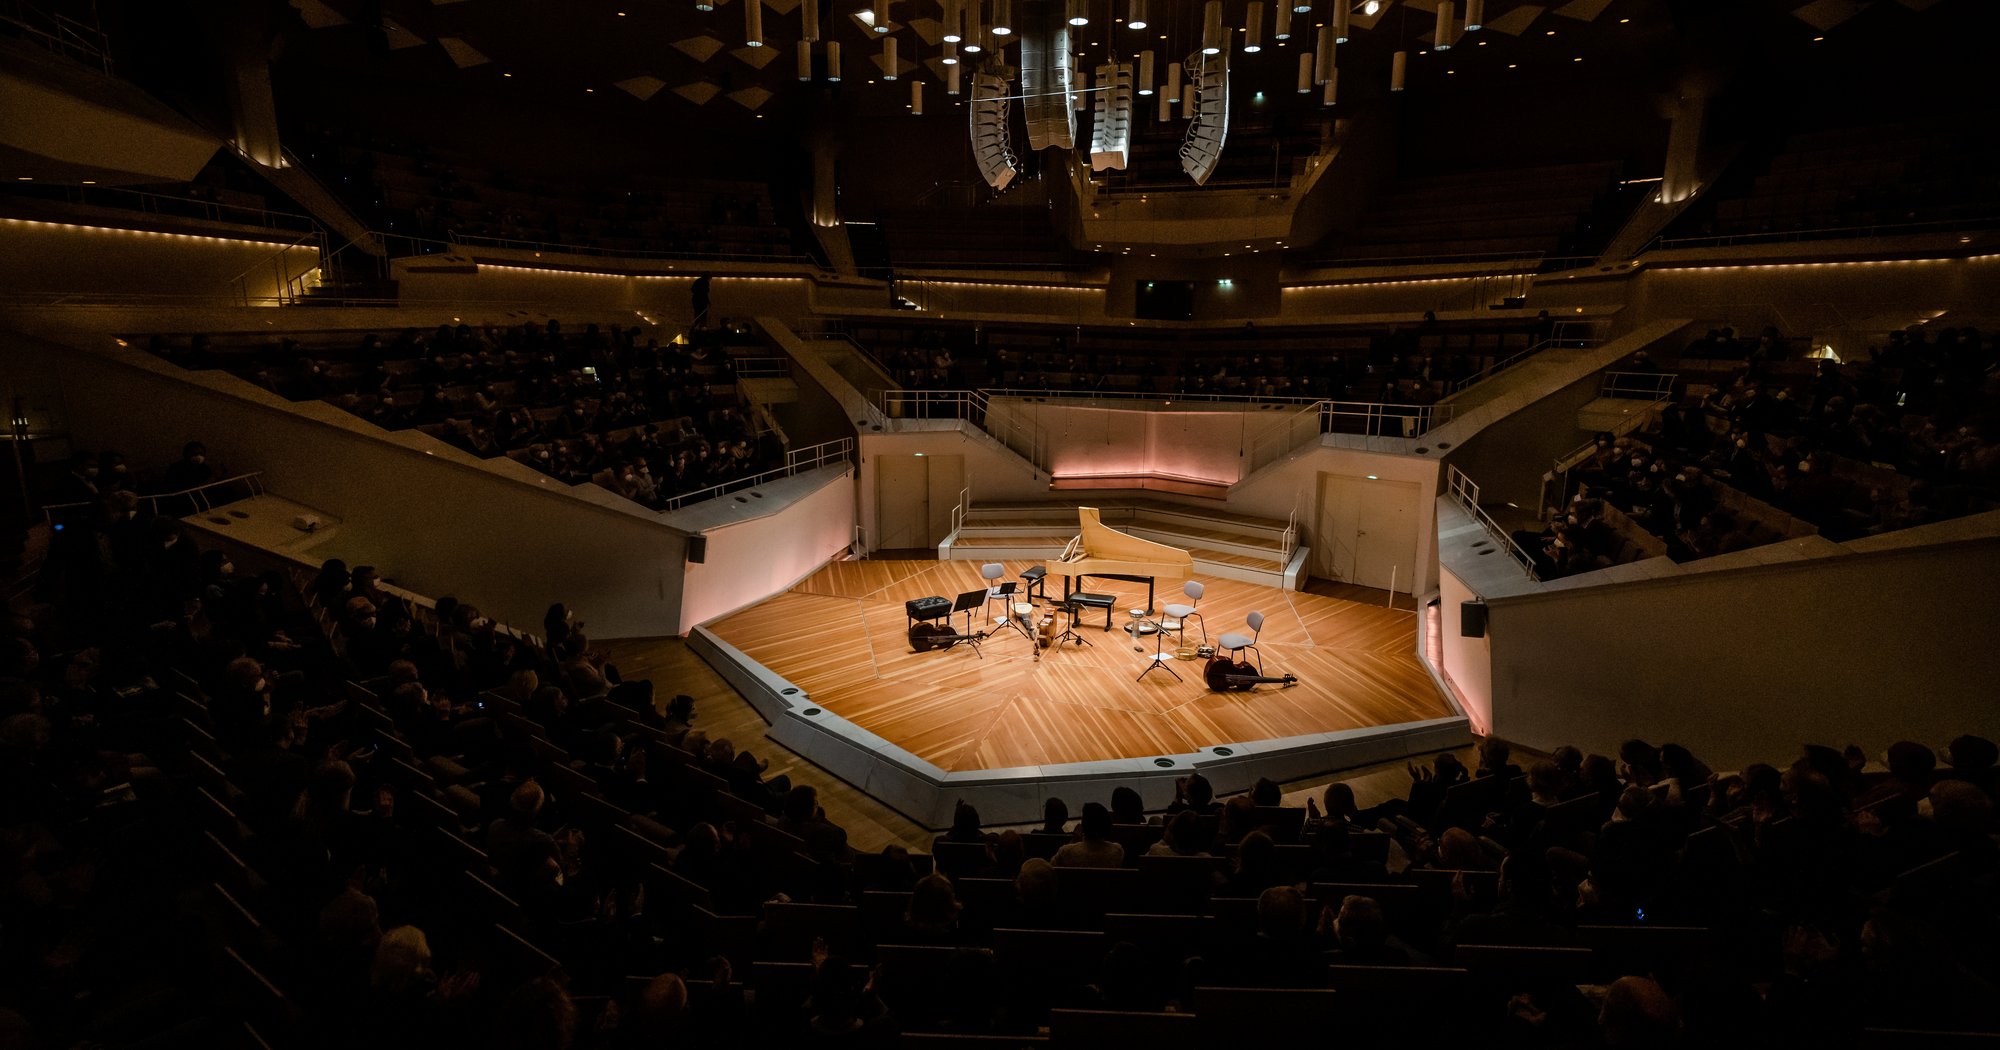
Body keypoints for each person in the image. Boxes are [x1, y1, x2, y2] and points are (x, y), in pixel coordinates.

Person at [1052, 803, 1125, 868]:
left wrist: (1074, 840)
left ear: (1083, 826)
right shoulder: (1117, 851)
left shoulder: (1066, 852)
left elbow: (1050, 868)